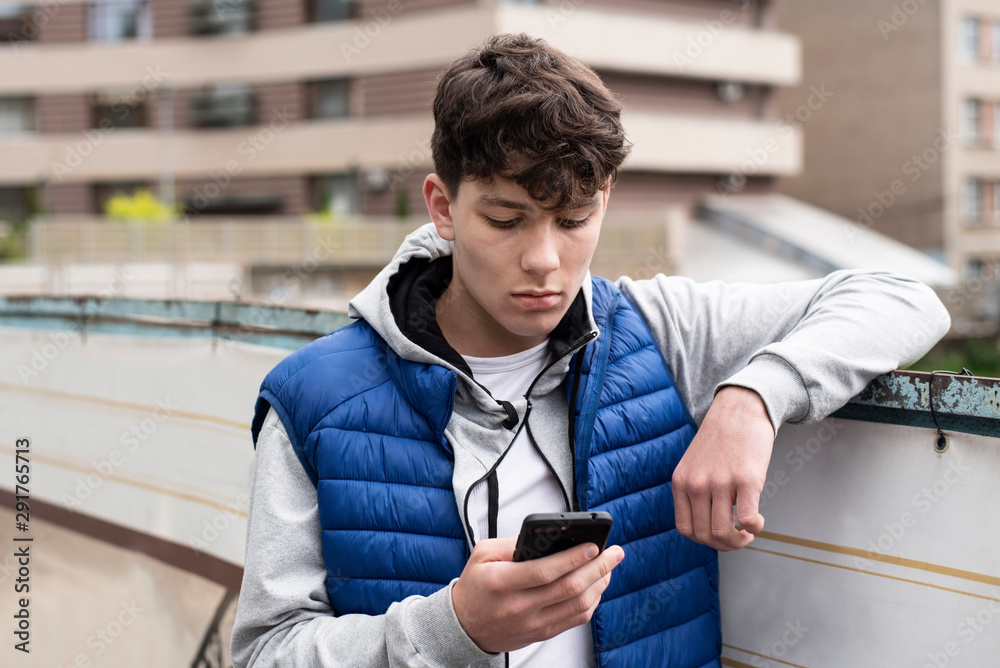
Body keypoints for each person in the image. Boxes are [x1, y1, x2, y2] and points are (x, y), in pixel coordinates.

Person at [231, 33, 950, 668]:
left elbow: (903, 297)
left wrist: (755, 397)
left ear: (604, 201)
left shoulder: (657, 327)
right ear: (443, 208)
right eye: (507, 221)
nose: (545, 260)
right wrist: (453, 630)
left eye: (573, 219)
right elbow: (265, 653)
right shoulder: (311, 400)